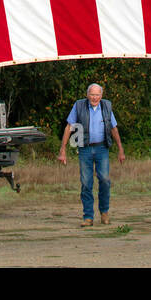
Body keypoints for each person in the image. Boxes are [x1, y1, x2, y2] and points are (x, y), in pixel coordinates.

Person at [58, 83, 125, 226]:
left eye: (97, 95)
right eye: (92, 95)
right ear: (87, 95)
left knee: (105, 180)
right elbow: (69, 127)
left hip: (102, 148)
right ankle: (88, 216)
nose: (94, 97)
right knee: (86, 183)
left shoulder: (107, 107)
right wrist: (62, 150)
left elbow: (114, 128)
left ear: (101, 96)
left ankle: (104, 212)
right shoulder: (79, 105)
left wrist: (120, 149)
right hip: (85, 148)